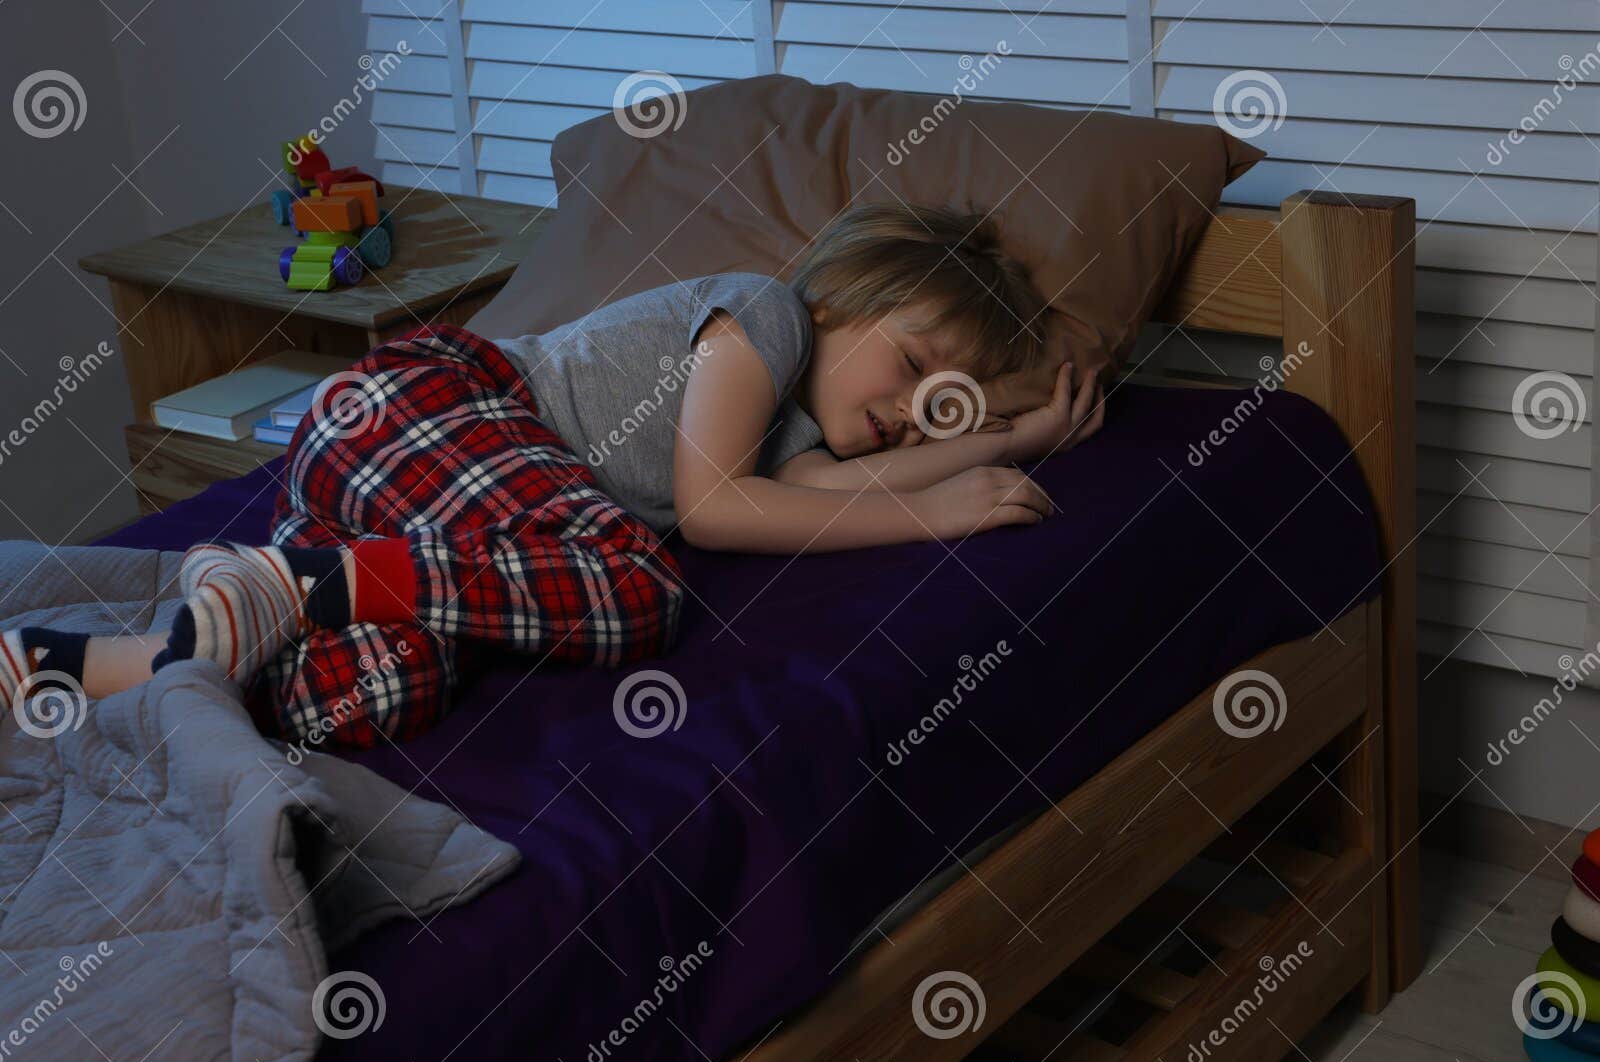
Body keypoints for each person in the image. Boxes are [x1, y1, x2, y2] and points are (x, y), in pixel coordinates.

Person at [0, 203, 1104, 746]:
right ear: (837, 301)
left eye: (934, 412)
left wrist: (1002, 443)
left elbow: (806, 497)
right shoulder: (760, 317)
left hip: (409, 507)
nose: (910, 417)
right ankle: (298, 584)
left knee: (375, 688)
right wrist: (932, 513)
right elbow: (721, 515)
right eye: (912, 367)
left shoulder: (796, 443)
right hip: (431, 403)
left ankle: (83, 662)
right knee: (635, 588)